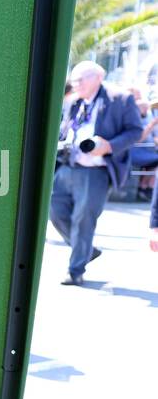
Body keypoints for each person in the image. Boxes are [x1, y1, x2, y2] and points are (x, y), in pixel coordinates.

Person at [50, 60, 143, 285]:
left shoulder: (120, 98)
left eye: (81, 79)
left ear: (98, 78)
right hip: (69, 165)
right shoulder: (74, 102)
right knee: (54, 210)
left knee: (83, 220)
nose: (76, 84)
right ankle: (86, 250)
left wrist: (109, 145)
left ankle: (75, 270)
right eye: (74, 79)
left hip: (96, 170)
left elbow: (135, 131)